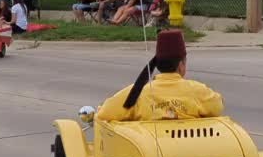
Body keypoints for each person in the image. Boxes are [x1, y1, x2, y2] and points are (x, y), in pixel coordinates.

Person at [96, 29, 224, 122]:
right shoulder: (198, 91)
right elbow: (218, 107)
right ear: (181, 65)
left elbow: (104, 114)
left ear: (157, 65)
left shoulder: (136, 93)